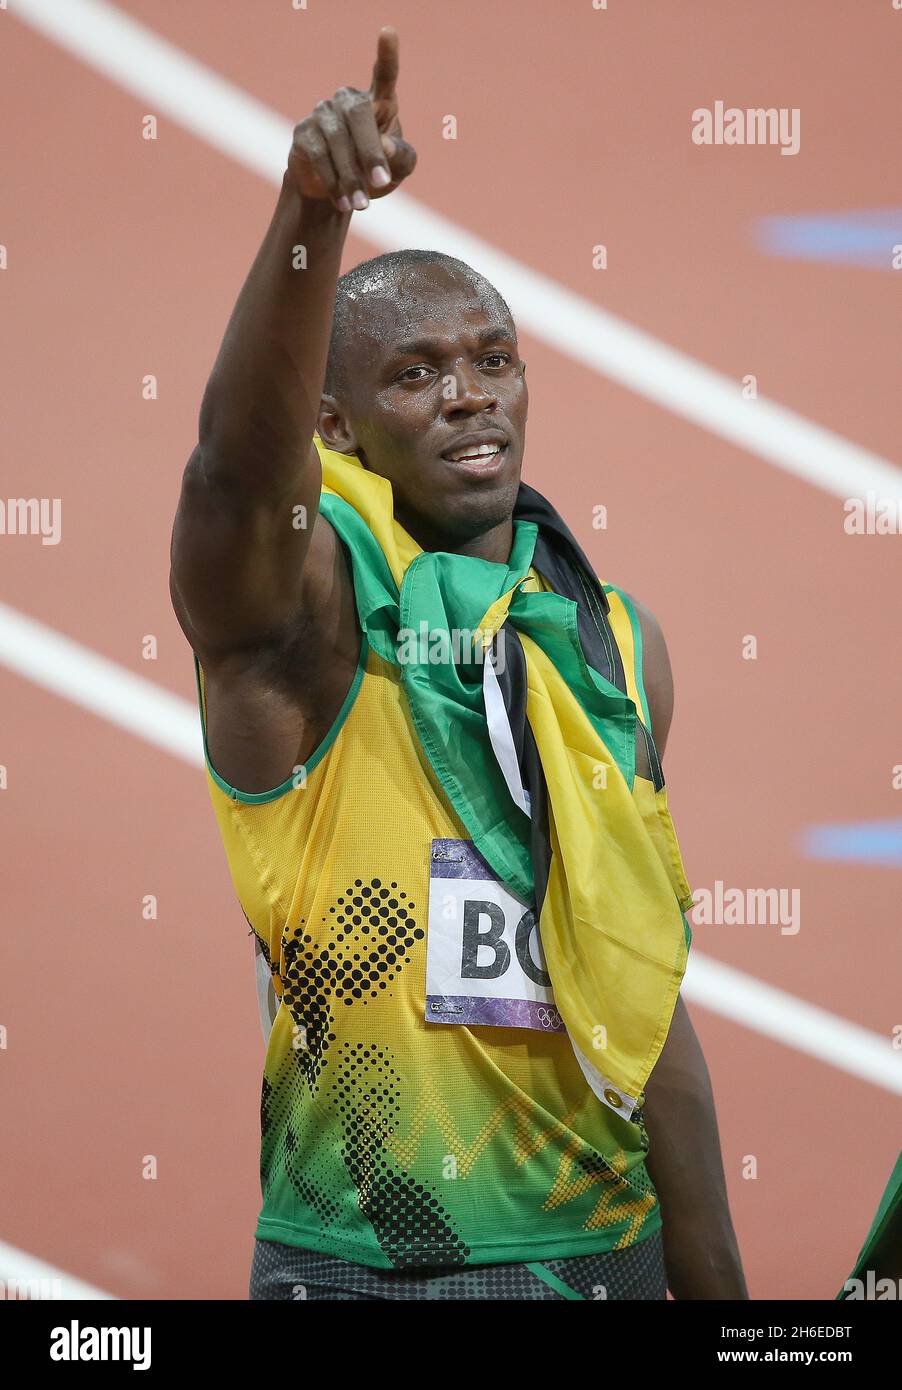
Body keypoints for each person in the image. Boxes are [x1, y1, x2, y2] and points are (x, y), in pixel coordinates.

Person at [170, 27, 747, 1301]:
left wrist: (716, 1284)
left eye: (490, 360)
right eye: (415, 373)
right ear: (338, 425)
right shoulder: (300, 631)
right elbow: (229, 477)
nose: (467, 395)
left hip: (607, 1255)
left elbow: (632, 966)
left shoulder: (609, 641)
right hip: (362, 1263)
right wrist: (309, 215)